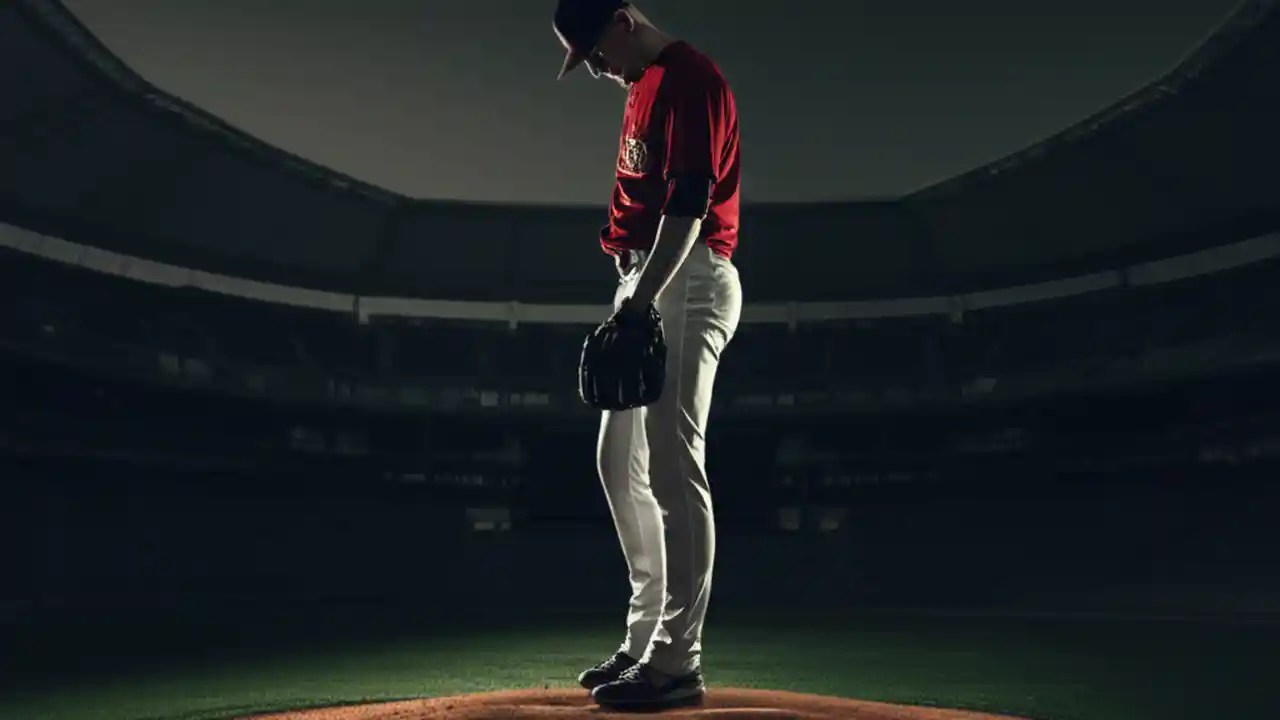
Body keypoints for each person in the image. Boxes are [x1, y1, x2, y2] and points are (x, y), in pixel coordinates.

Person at [552, 0, 744, 710]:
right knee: (615, 462)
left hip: (688, 277)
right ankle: (642, 642)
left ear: (624, 17)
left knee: (672, 461)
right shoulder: (641, 90)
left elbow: (688, 201)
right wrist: (629, 293)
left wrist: (642, 300)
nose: (594, 65)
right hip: (643, 279)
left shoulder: (691, 77)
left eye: (594, 49)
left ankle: (676, 662)